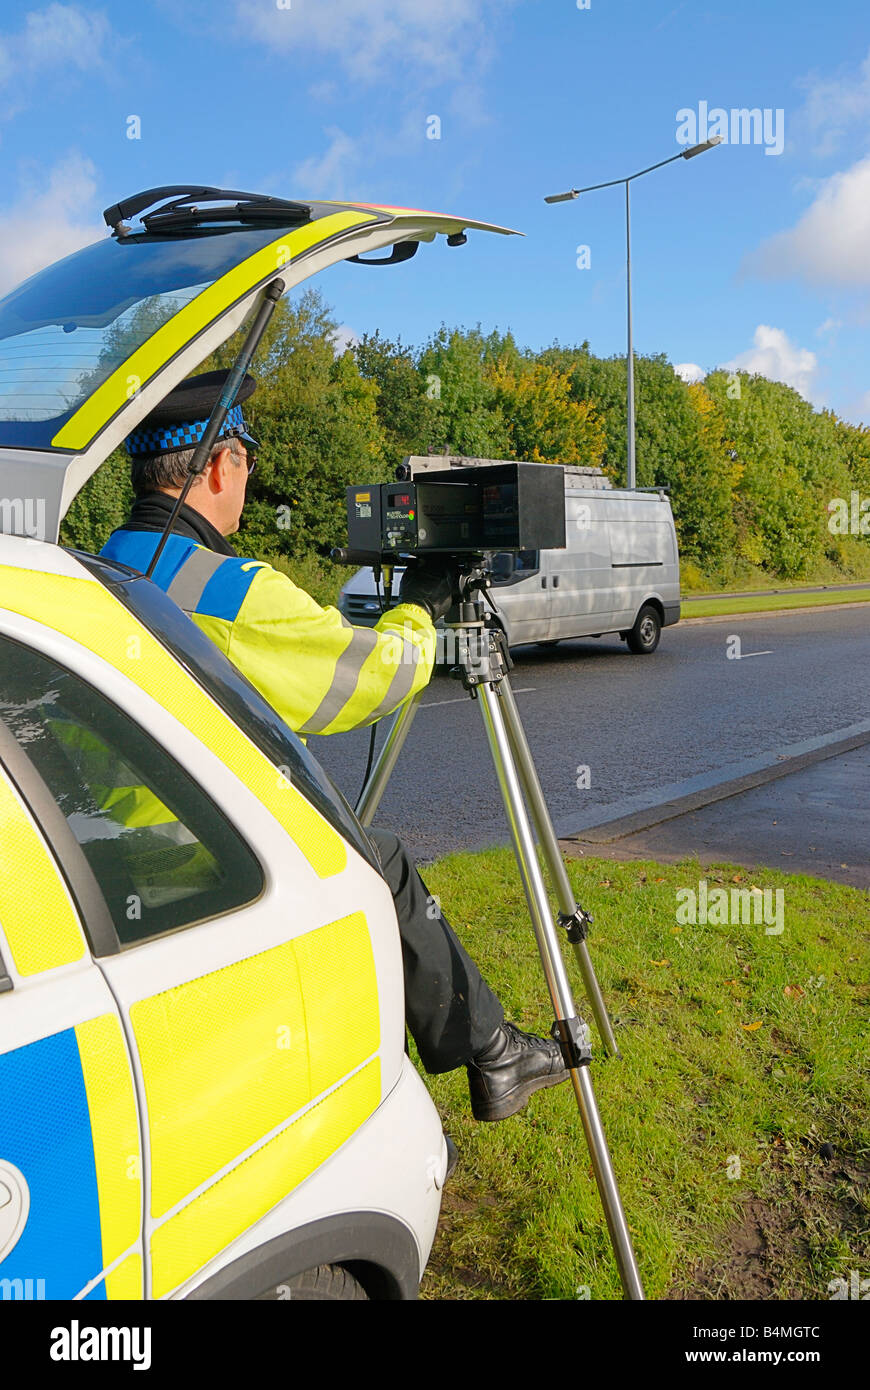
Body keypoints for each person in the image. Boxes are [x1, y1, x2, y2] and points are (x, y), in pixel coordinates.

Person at [100, 371, 569, 1123]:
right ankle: (491, 1054)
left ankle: (481, 1051)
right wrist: (419, 611)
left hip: (107, 847)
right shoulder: (229, 589)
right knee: (378, 860)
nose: (247, 479)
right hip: (187, 854)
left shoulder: (101, 560)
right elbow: (369, 676)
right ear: (222, 465)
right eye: (246, 462)